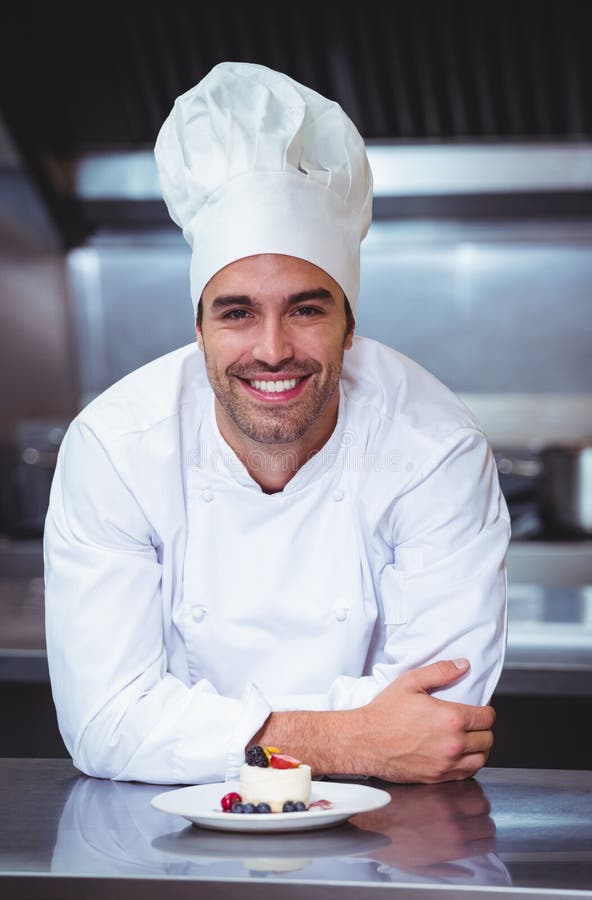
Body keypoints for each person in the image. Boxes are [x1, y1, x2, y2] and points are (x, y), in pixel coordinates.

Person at [44, 62, 510, 786]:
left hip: (386, 847)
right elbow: (105, 724)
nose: (271, 350)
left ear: (349, 326)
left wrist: (186, 728)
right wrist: (355, 738)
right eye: (237, 312)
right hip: (166, 852)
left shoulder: (433, 446)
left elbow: (442, 723)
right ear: (197, 329)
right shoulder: (116, 448)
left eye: (306, 308)